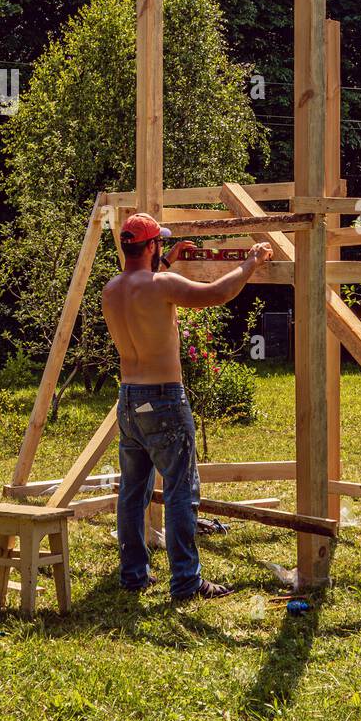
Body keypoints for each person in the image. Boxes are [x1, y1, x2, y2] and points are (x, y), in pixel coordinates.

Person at [101, 212, 273, 600]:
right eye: (158, 243)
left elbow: (141, 289)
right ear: (150, 246)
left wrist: (165, 261)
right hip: (163, 398)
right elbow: (216, 294)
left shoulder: (111, 289)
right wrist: (251, 261)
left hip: (128, 399)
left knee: (132, 492)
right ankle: (186, 581)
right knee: (181, 489)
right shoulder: (163, 285)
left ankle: (133, 576)